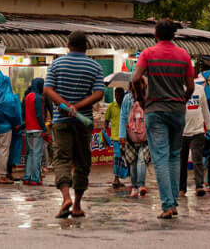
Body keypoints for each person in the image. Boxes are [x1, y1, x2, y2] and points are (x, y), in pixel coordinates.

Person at [130, 19, 194, 219]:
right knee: (175, 156)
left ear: (156, 34)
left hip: (155, 110)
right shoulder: (184, 55)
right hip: (177, 111)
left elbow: (134, 79)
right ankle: (173, 203)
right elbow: (190, 86)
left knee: (160, 158)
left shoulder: (148, 54)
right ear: (174, 35)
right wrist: (182, 100)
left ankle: (167, 205)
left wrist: (141, 97)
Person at [44, 31, 107, 219]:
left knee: (62, 159)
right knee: (82, 161)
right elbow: (98, 94)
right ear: (86, 46)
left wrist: (65, 106)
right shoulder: (94, 66)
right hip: (83, 122)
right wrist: (76, 108)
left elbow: (47, 89)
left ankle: (65, 197)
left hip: (61, 121)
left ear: (68, 45)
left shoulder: (56, 64)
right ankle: (77, 205)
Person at [117, 85, 149, 197]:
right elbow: (123, 117)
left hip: (145, 137)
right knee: (133, 163)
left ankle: (140, 185)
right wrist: (122, 135)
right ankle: (135, 186)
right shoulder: (127, 99)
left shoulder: (147, 97)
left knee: (141, 160)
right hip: (131, 137)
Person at [182, 71, 209, 197]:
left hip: (198, 130)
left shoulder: (200, 89)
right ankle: (182, 188)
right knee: (181, 162)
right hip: (182, 131)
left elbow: (205, 108)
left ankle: (199, 186)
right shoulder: (178, 90)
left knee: (197, 160)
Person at [23, 77, 47, 185]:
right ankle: (35, 178)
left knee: (30, 154)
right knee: (37, 154)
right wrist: (44, 127)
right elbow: (39, 114)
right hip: (37, 129)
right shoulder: (38, 97)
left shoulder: (28, 96)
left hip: (28, 129)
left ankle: (27, 176)